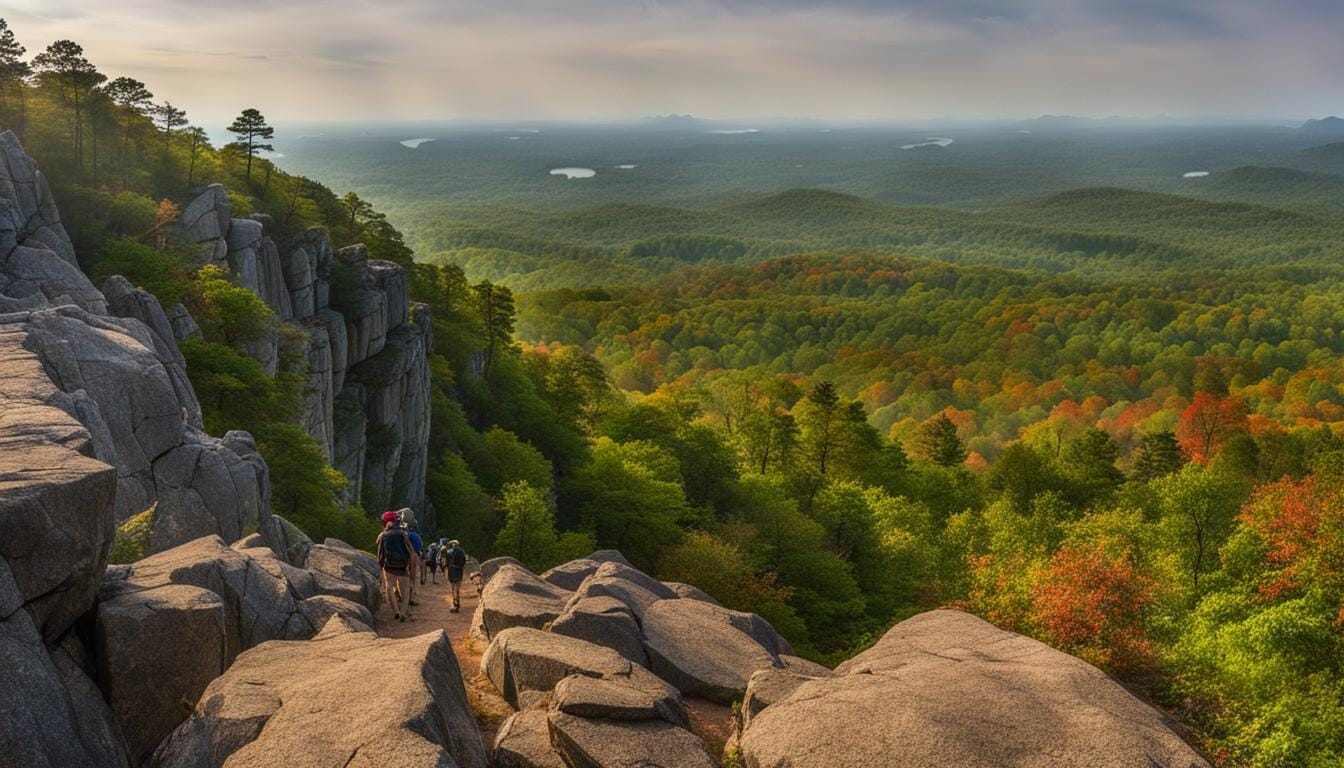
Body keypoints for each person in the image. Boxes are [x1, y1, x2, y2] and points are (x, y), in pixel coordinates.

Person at [375, 511, 414, 622]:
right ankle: (403, 613)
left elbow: (379, 555)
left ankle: (396, 611)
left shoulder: (382, 535)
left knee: (390, 589)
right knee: (405, 591)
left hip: (388, 566)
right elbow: (411, 551)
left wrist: (380, 567)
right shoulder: (403, 534)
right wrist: (411, 568)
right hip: (402, 566)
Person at [398, 508, 424, 608]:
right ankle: (408, 599)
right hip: (410, 560)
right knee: (410, 580)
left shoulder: (398, 534)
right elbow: (418, 549)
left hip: (398, 559)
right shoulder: (414, 535)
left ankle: (400, 597)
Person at [439, 539, 468, 612]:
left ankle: (455, 603)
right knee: (457, 588)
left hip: (452, 570)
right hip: (459, 570)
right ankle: (457, 602)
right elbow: (464, 561)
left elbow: (444, 561)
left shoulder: (449, 551)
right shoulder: (462, 551)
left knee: (453, 588)